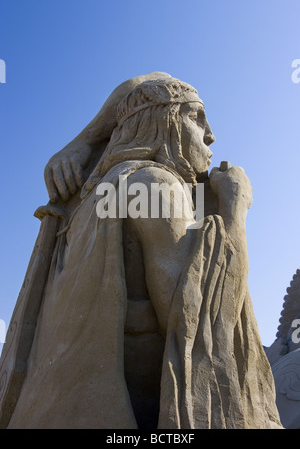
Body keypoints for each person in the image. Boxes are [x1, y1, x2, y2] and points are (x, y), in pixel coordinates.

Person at [1, 73, 282, 428]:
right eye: (196, 117)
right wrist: (235, 209)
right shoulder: (154, 184)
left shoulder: (102, 192)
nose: (210, 133)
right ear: (162, 121)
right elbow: (196, 319)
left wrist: (82, 142)